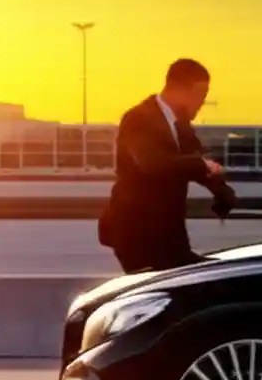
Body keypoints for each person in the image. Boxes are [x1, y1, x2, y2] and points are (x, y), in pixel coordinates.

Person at [98, 58, 237, 273]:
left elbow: (198, 165)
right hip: (137, 235)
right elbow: (153, 164)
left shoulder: (181, 125)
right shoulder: (138, 118)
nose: (202, 102)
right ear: (181, 90)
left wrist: (224, 194)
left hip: (170, 237)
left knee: (201, 281)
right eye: (201, 95)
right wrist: (201, 165)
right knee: (166, 295)